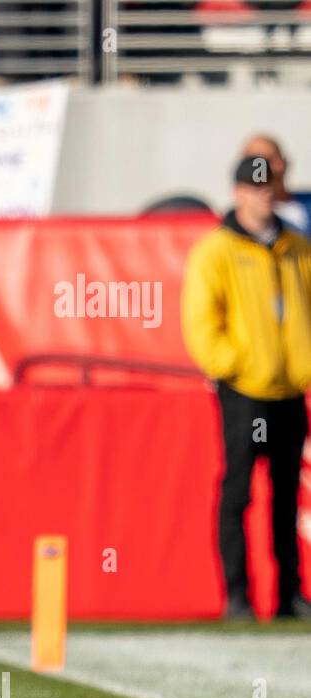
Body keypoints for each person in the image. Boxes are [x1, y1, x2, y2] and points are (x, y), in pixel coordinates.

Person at [182, 154, 311, 621]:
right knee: (238, 492)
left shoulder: (297, 247)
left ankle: (288, 596)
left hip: (289, 390)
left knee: (284, 496)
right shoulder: (217, 251)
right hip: (245, 392)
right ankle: (237, 595)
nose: (262, 195)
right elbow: (201, 320)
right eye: (254, 187)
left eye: (269, 186)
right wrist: (231, 364)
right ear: (237, 192)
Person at [241, 133, 309, 234]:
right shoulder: (241, 221)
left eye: (279, 158)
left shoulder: (307, 202)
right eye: (268, 161)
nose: (279, 167)